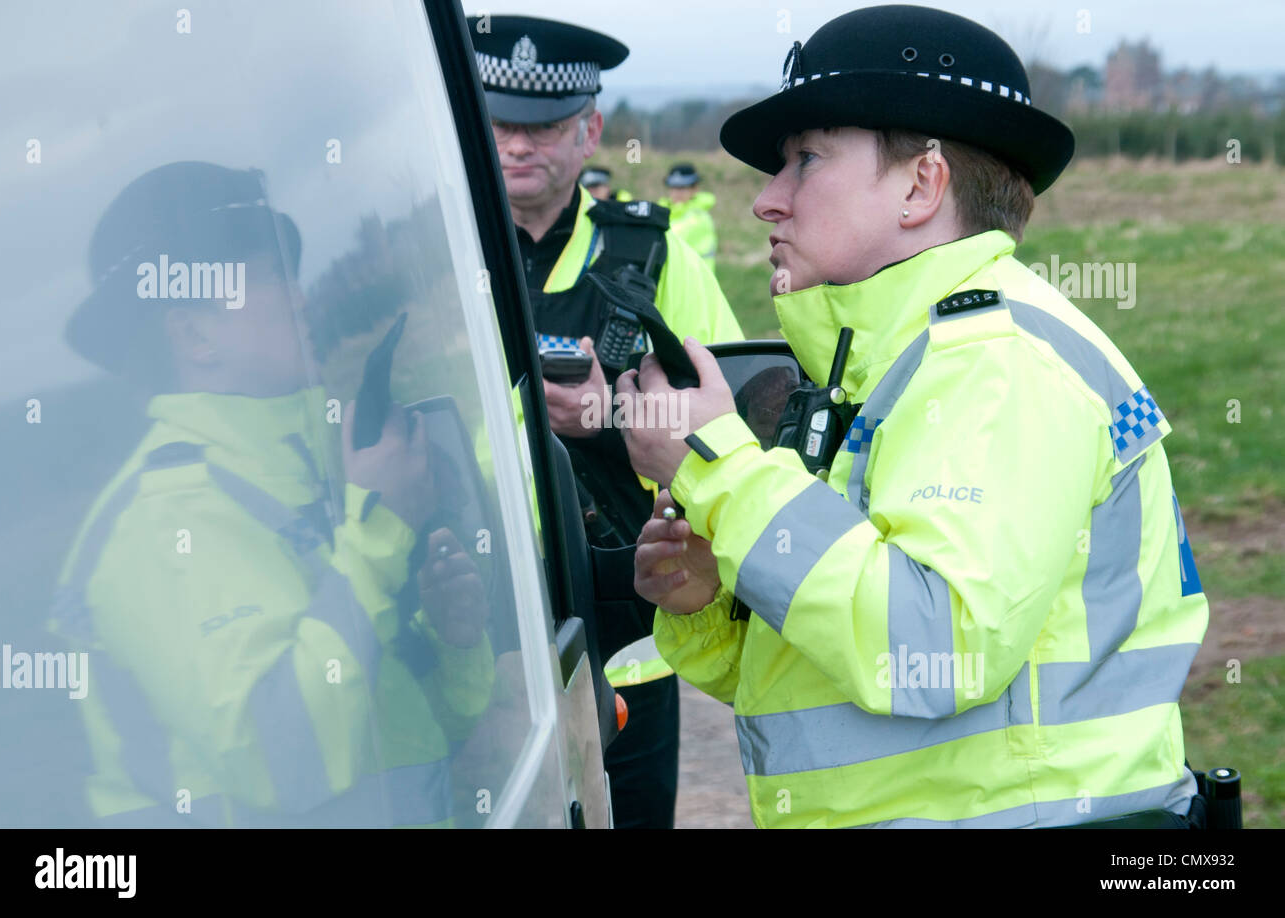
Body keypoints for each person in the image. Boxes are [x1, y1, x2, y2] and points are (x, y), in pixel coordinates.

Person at [619, 5, 1209, 828]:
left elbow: (931, 653)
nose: (766, 200)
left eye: (806, 160)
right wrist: (712, 595)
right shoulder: (896, 361)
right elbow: (836, 678)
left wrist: (715, 462)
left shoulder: (996, 360)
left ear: (921, 184)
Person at [52, 161, 493, 827]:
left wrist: (455, 642)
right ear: (193, 335)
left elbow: (404, 736)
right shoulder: (159, 520)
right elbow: (284, 759)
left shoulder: (306, 469)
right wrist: (381, 530)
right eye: (268, 278)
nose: (301, 297)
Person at [467, 13, 743, 829]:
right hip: (464, 631)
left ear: (589, 130)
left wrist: (611, 416)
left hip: (622, 639)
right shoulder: (439, 252)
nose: (517, 147)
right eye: (499, 125)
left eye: (543, 127)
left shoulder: (657, 258)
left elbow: (728, 425)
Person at [658, 162, 718, 273]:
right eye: (673, 187)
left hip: (696, 279)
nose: (677, 192)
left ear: (695, 188)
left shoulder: (700, 216)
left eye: (683, 187)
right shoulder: (662, 212)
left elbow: (673, 238)